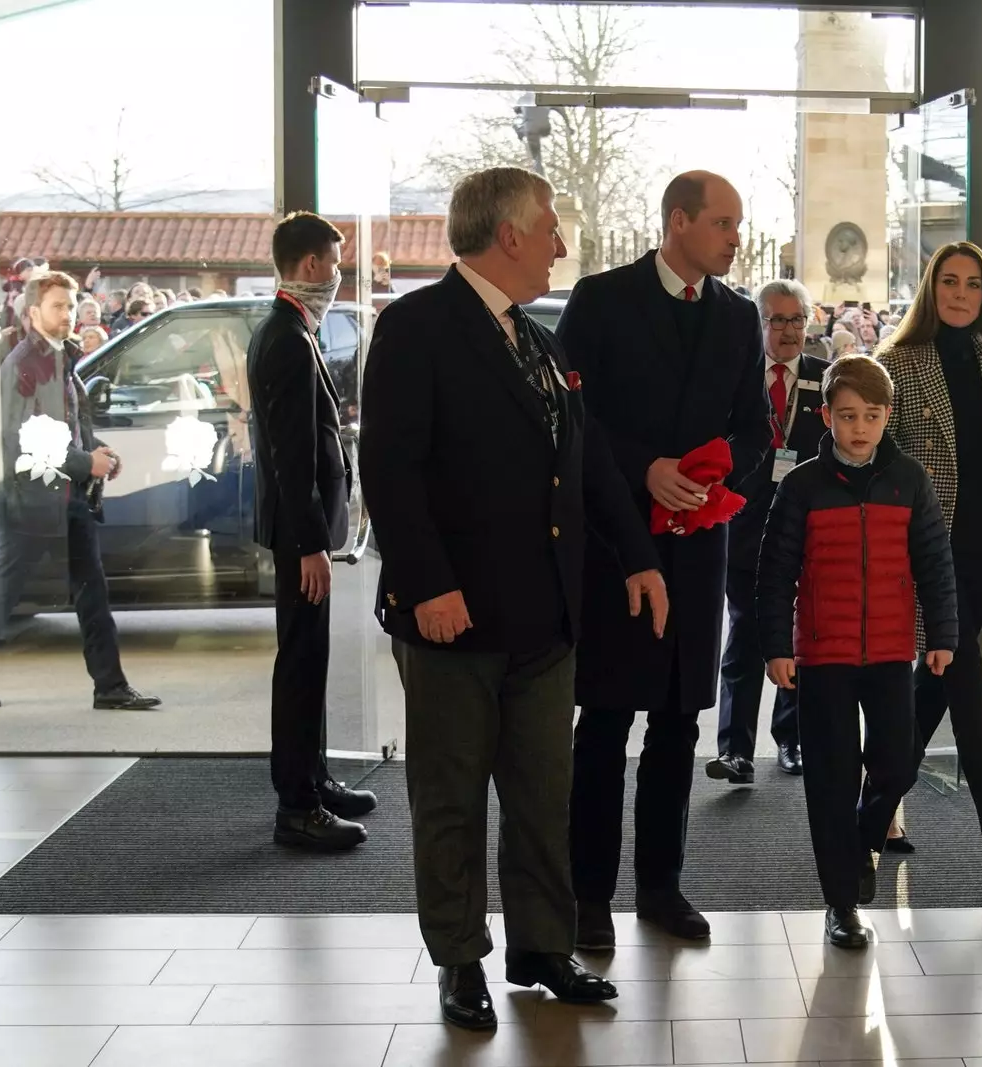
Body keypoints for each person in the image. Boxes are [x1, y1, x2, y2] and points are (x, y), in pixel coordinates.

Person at [361, 168, 668, 1030]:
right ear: (509, 236)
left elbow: (590, 459)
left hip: (547, 618)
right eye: (552, 228)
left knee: (543, 792)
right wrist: (428, 586)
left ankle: (541, 944)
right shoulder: (415, 327)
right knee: (451, 796)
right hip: (454, 617)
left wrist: (637, 557)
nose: (561, 244)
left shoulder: (538, 340)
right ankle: (460, 958)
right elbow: (389, 470)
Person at [557, 170, 771, 948]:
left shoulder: (740, 315)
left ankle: (661, 886)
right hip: (618, 542)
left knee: (680, 723)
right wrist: (646, 468)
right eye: (723, 222)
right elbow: (573, 415)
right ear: (678, 221)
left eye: (738, 224)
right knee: (606, 723)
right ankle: (588, 895)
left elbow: (757, 429)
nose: (734, 237)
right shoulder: (601, 299)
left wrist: (716, 477)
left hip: (699, 544)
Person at [757, 355, 957, 946]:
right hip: (823, 657)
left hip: (892, 653)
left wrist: (941, 636)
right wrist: (776, 646)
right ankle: (841, 902)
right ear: (827, 416)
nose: (860, 427)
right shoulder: (802, 486)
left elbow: (934, 564)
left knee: (897, 762)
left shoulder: (910, 481)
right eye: (847, 416)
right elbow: (775, 573)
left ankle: (863, 837)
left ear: (887, 416)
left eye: (871, 415)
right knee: (831, 777)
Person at [877, 241, 982, 901]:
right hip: (925, 550)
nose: (959, 294)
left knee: (937, 681)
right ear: (931, 288)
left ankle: (881, 793)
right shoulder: (896, 365)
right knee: (966, 686)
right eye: (948, 282)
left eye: (972, 285)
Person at [0, 270, 160, 713]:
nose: (69, 313)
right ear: (32, 313)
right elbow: (27, 438)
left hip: (64, 498)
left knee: (90, 593)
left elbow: (68, 425)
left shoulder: (59, 355)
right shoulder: (25, 363)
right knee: (7, 587)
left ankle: (110, 686)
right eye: (59, 306)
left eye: (71, 304)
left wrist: (96, 453)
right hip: (34, 499)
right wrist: (87, 462)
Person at [243, 212, 377, 853]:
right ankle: (296, 806)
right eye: (334, 262)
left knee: (309, 659)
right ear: (311, 265)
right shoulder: (288, 339)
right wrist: (310, 546)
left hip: (303, 532)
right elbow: (292, 456)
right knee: (299, 665)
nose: (339, 274)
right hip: (302, 537)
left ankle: (314, 779)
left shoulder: (289, 330)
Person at [709, 279, 828, 785]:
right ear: (758, 324)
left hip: (805, 531)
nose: (788, 331)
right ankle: (735, 750)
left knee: (798, 635)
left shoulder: (827, 379)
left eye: (797, 320)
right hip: (742, 526)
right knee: (746, 634)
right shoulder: (735, 379)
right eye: (777, 320)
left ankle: (791, 739)